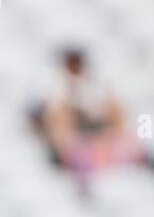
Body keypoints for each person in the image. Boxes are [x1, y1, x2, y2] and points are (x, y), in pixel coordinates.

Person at [36, 48, 142, 193]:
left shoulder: (97, 85)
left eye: (77, 64)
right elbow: (56, 115)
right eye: (71, 65)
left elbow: (106, 110)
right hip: (76, 141)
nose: (75, 68)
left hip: (100, 136)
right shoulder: (56, 90)